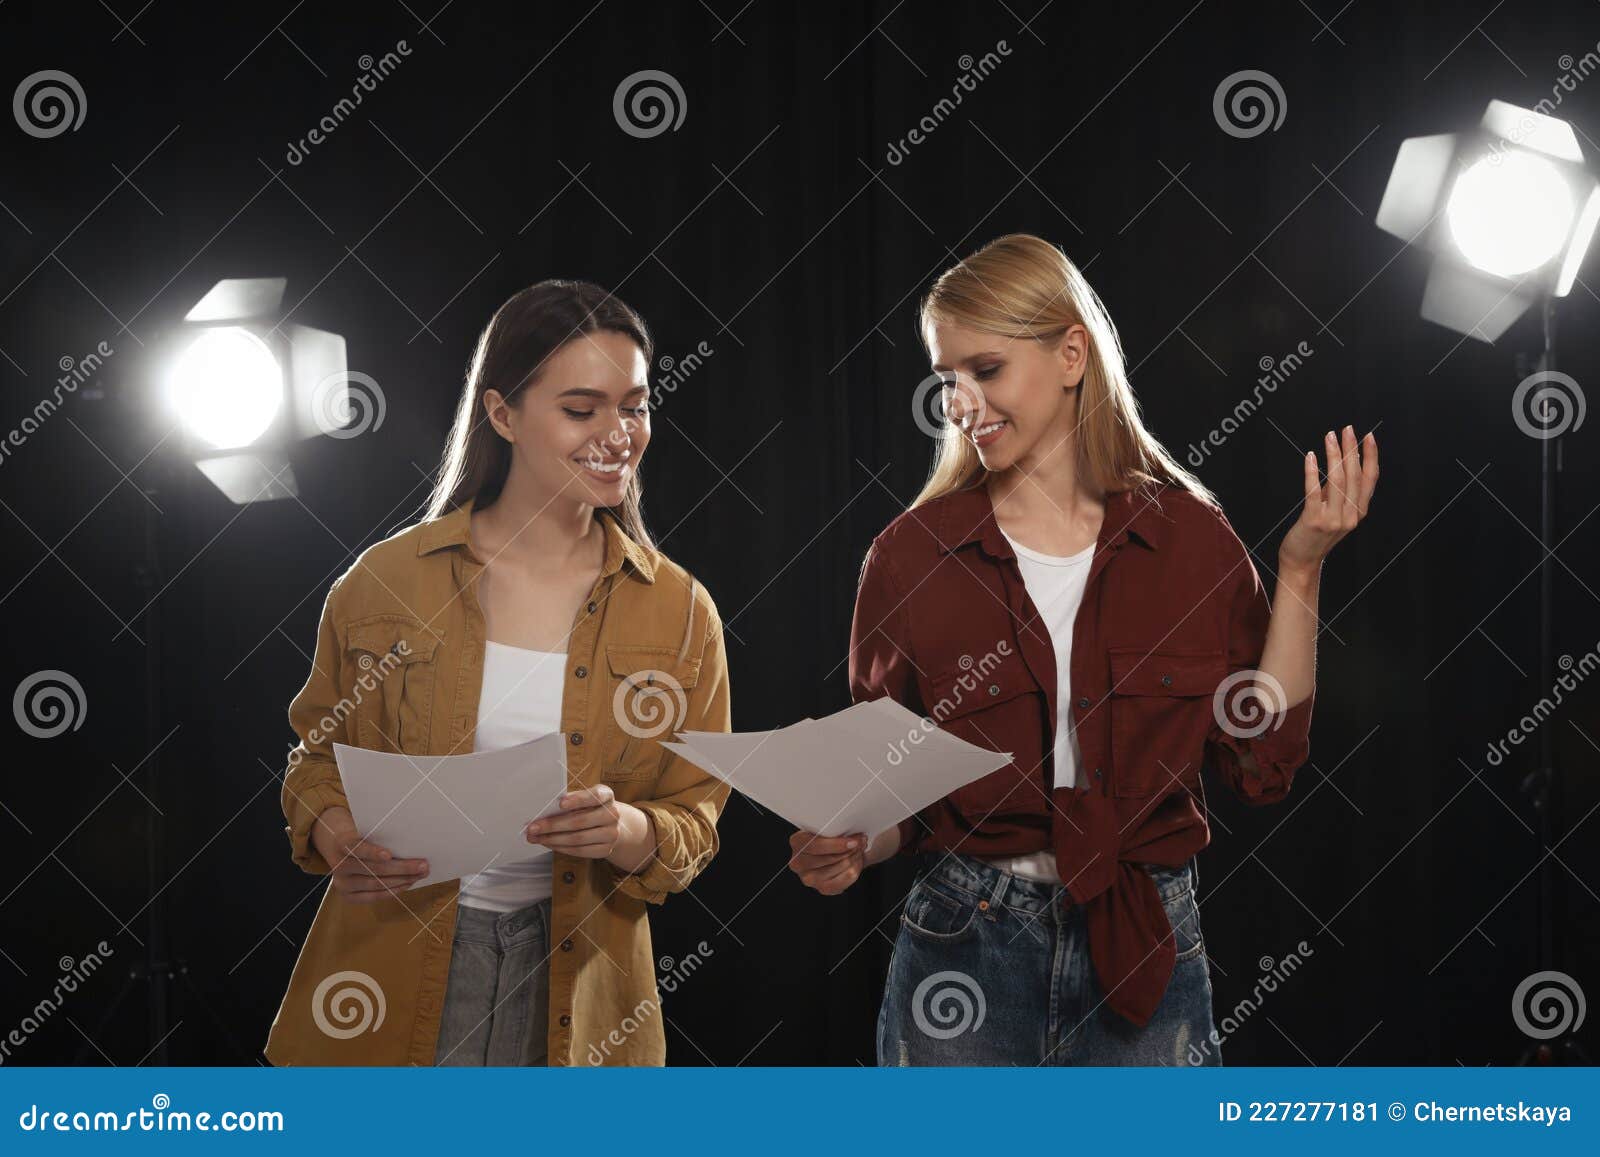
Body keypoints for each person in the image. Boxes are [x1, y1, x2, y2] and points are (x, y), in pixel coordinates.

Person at [788, 233, 1377, 1066]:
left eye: (985, 369)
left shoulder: (1190, 540)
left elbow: (1260, 759)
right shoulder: (908, 558)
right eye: (947, 377)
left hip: (1147, 941)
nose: (959, 403)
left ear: (1072, 355)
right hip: (965, 946)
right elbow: (899, 792)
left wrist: (1302, 568)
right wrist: (853, 844)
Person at [265, 280, 730, 1066]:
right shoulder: (383, 584)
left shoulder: (681, 612)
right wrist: (334, 829)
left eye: (635, 406)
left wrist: (627, 829)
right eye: (581, 409)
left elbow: (696, 817)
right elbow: (313, 762)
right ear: (502, 414)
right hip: (391, 977)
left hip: (582, 1000)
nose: (618, 434)